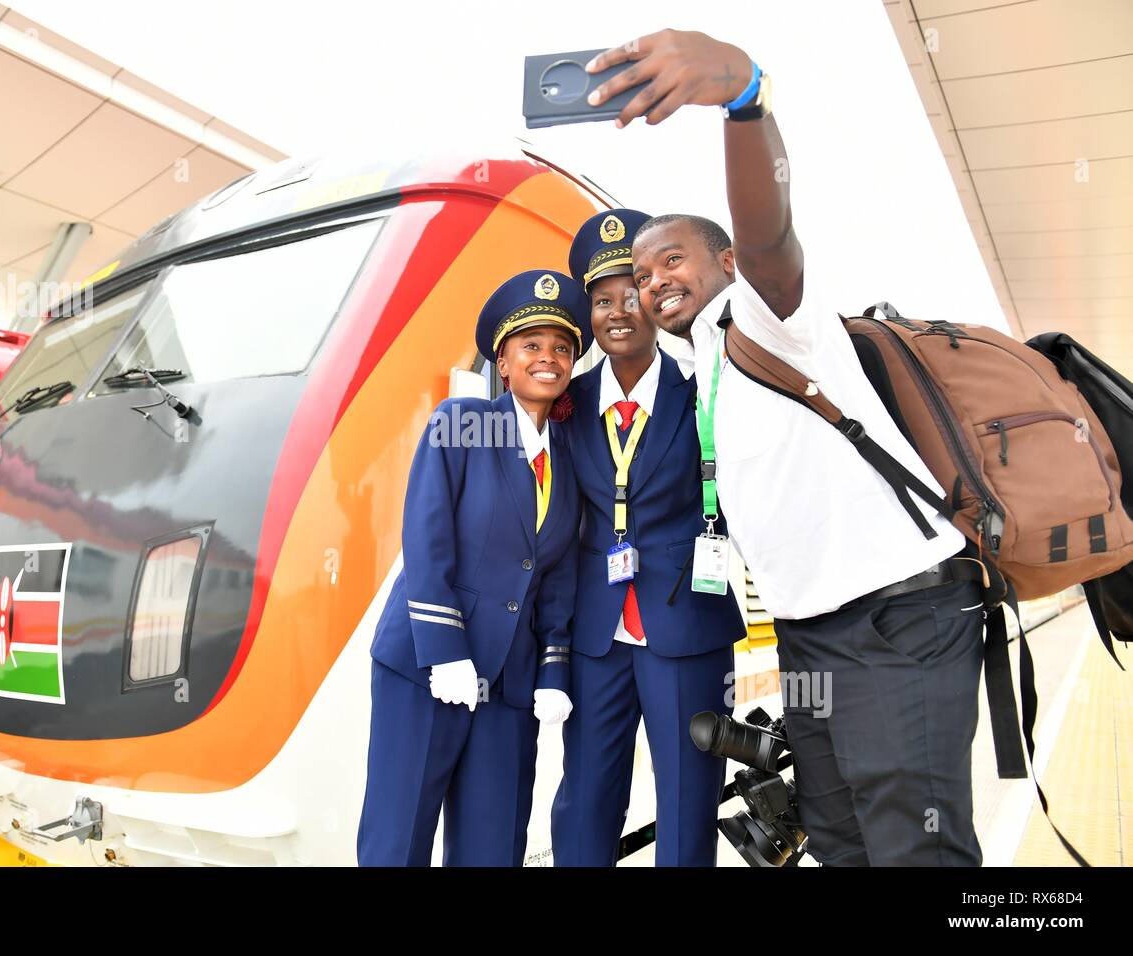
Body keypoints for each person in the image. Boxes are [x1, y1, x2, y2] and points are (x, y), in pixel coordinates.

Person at [592, 28, 984, 866]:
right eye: (642, 273)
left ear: (725, 262)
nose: (655, 280)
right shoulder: (702, 370)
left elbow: (770, 235)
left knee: (914, 844)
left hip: (895, 615)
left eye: (673, 260)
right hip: (812, 638)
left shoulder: (770, 317)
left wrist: (744, 99)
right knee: (838, 840)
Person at [357, 270, 588, 866]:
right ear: (502, 363)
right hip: (427, 667)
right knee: (399, 836)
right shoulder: (463, 422)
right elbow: (426, 541)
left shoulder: (567, 455)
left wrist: (553, 672)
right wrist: (444, 650)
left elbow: (556, 577)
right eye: (530, 345)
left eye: (562, 347)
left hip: (510, 683)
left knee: (493, 845)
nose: (548, 358)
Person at [551, 209, 745, 867]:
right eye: (600, 300)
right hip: (596, 636)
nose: (618, 311)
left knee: (689, 799)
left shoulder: (707, 392)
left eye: (630, 293)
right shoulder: (567, 409)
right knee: (585, 796)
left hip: (687, 624)